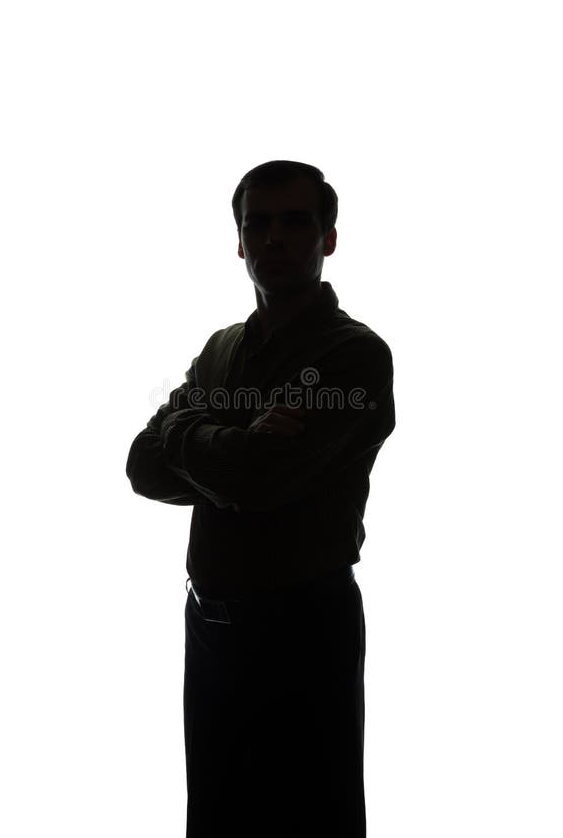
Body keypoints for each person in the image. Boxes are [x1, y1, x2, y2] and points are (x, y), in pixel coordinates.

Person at [126, 160, 396, 837]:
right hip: (211, 626)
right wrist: (229, 440)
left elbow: (257, 478)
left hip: (304, 625)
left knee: (310, 812)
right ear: (240, 243)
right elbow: (141, 466)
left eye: (295, 221)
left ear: (329, 237)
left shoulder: (354, 356)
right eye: (258, 225)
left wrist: (186, 426)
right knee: (218, 814)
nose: (274, 238)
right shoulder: (222, 350)